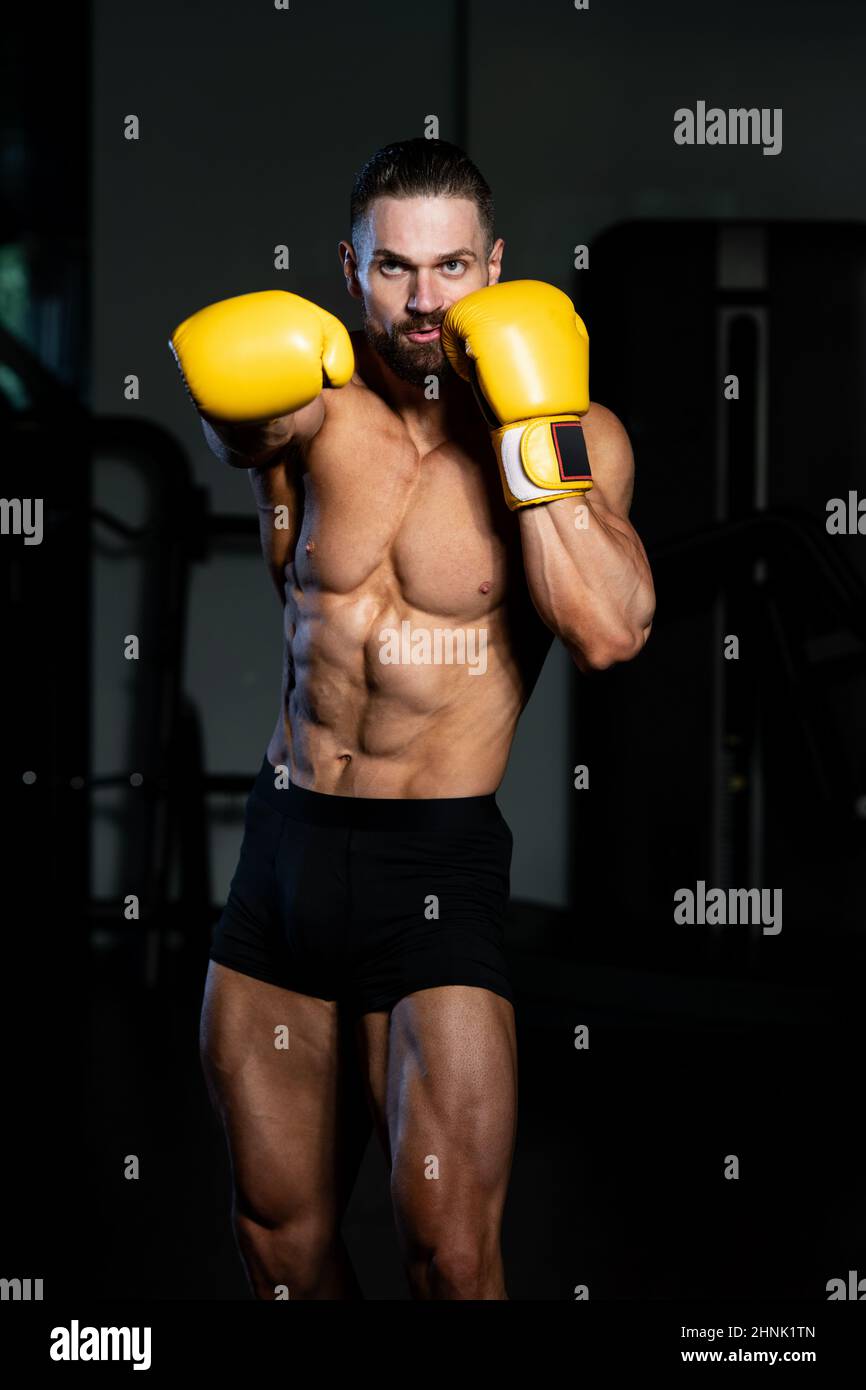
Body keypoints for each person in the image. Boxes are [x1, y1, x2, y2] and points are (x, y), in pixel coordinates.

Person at [170, 137, 655, 1300]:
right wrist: (226, 400)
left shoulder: (572, 430)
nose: (425, 299)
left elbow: (610, 629)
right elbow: (234, 427)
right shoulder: (312, 411)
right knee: (274, 1241)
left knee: (447, 1254)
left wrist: (528, 441)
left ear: (498, 267)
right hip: (282, 850)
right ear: (350, 269)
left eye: (450, 267)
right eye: (395, 269)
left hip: (431, 864)